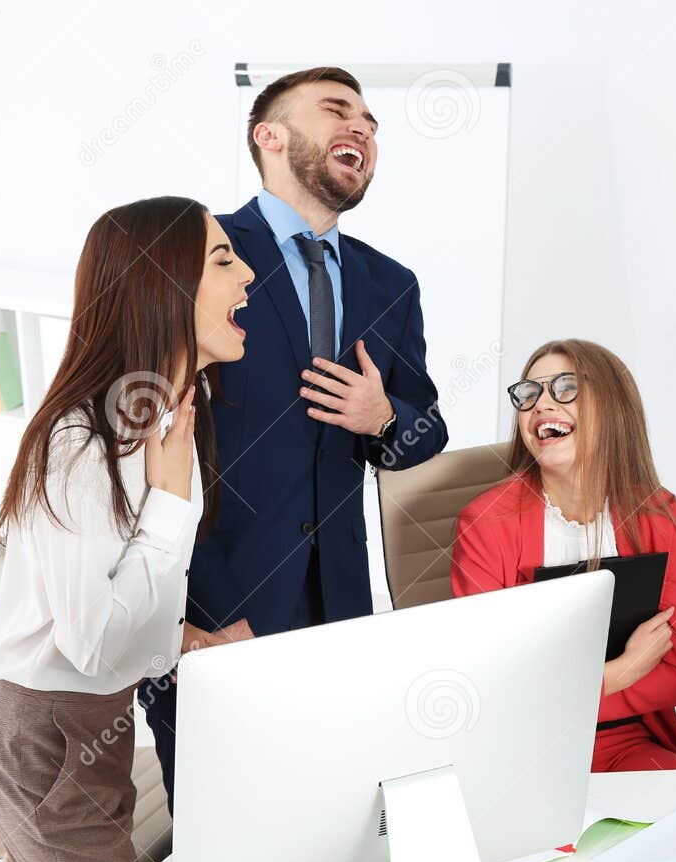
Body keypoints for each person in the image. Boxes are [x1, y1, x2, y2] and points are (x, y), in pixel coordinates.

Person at [0, 196, 252, 862]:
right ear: (167, 283)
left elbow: (120, 610)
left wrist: (186, 643)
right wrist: (167, 503)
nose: (247, 276)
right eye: (227, 260)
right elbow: (89, 641)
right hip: (36, 732)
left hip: (91, 724)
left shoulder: (168, 412)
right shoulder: (82, 442)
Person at [140, 66, 448, 808]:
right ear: (268, 136)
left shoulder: (390, 282)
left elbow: (428, 427)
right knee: (226, 837)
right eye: (339, 110)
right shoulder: (200, 253)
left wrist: (386, 421)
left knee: (334, 815)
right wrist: (179, 624)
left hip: (340, 608)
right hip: (219, 611)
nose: (364, 130)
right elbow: (134, 437)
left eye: (372, 123)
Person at [451, 340, 676, 771]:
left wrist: (556, 696)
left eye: (565, 388)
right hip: (520, 753)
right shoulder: (484, 524)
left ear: (613, 409)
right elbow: (490, 688)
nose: (541, 404)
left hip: (627, 740)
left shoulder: (659, 515)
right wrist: (619, 673)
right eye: (529, 393)